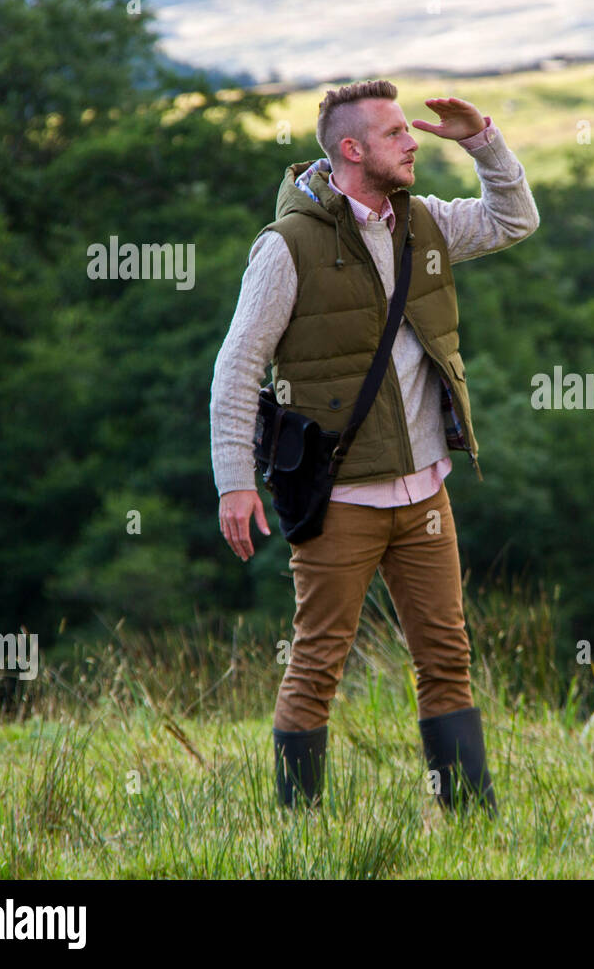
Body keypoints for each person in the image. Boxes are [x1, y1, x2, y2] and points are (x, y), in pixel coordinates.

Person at [209, 79, 540, 816]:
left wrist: (482, 139)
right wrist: (235, 480)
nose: (413, 140)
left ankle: (469, 821)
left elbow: (514, 220)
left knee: (446, 657)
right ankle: (299, 826)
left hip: (426, 493)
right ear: (352, 150)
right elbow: (237, 367)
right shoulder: (287, 247)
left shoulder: (423, 223)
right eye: (396, 134)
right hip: (342, 500)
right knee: (318, 662)